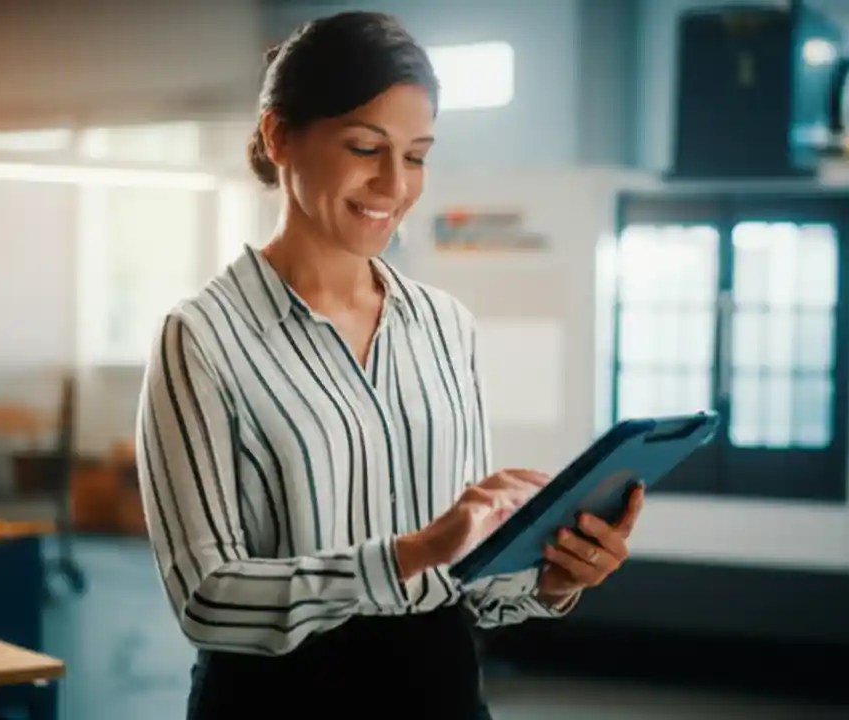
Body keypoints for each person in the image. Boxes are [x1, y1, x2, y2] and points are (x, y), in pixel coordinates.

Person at [133, 11, 645, 719]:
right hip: (280, 702)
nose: (394, 184)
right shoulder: (203, 338)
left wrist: (554, 577)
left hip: (441, 691)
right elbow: (207, 598)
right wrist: (410, 553)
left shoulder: (443, 327)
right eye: (365, 147)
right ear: (280, 136)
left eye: (416, 155)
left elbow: (468, 579)